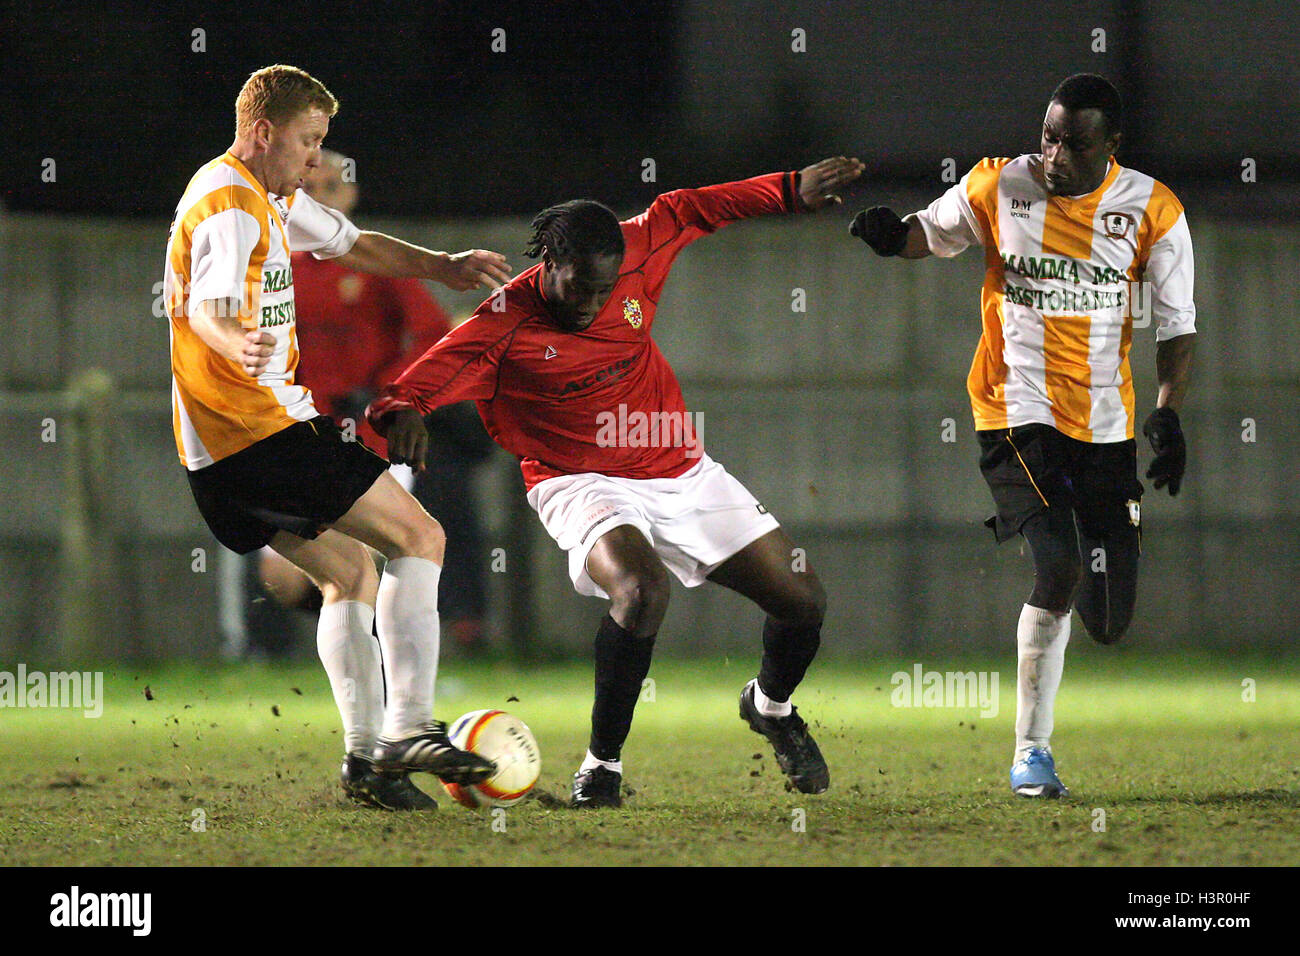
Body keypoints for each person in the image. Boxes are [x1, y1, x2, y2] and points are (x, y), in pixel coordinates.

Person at [368, 156, 865, 807]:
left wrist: (788, 191)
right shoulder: (503, 323)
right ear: (548, 261)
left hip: (677, 464)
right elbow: (420, 380)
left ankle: (770, 709)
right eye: (579, 289)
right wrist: (399, 411)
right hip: (576, 479)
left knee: (804, 602)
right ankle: (601, 768)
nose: (593, 304)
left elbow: (692, 206)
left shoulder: (639, 245)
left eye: (604, 292)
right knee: (640, 590)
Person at [164, 64, 512, 810]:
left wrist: (442, 266)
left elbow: (353, 243)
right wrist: (240, 346)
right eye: (307, 140)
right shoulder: (230, 202)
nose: (316, 157)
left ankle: (364, 763)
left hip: (218, 456)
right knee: (420, 538)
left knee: (349, 573)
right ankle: (409, 727)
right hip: (258, 432)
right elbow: (206, 308)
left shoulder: (268, 195)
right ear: (263, 133)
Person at [849, 73, 1197, 798]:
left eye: (1074, 142)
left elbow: (1176, 324)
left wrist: (1166, 412)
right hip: (1014, 410)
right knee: (1059, 566)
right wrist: (891, 235)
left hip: (1104, 426)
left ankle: (1108, 542)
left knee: (1106, 617)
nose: (1054, 153)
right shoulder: (1001, 185)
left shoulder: (1154, 209)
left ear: (1112, 147)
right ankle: (1030, 754)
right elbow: (928, 232)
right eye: (1047, 135)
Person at [258, 150, 496, 656]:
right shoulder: (271, 266)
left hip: (366, 438)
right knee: (283, 575)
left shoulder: (372, 260)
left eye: (330, 189)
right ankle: (328, 649)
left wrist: (391, 392)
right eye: (308, 188)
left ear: (351, 194)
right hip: (296, 436)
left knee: (375, 554)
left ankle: (392, 664)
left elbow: (431, 335)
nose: (318, 199)